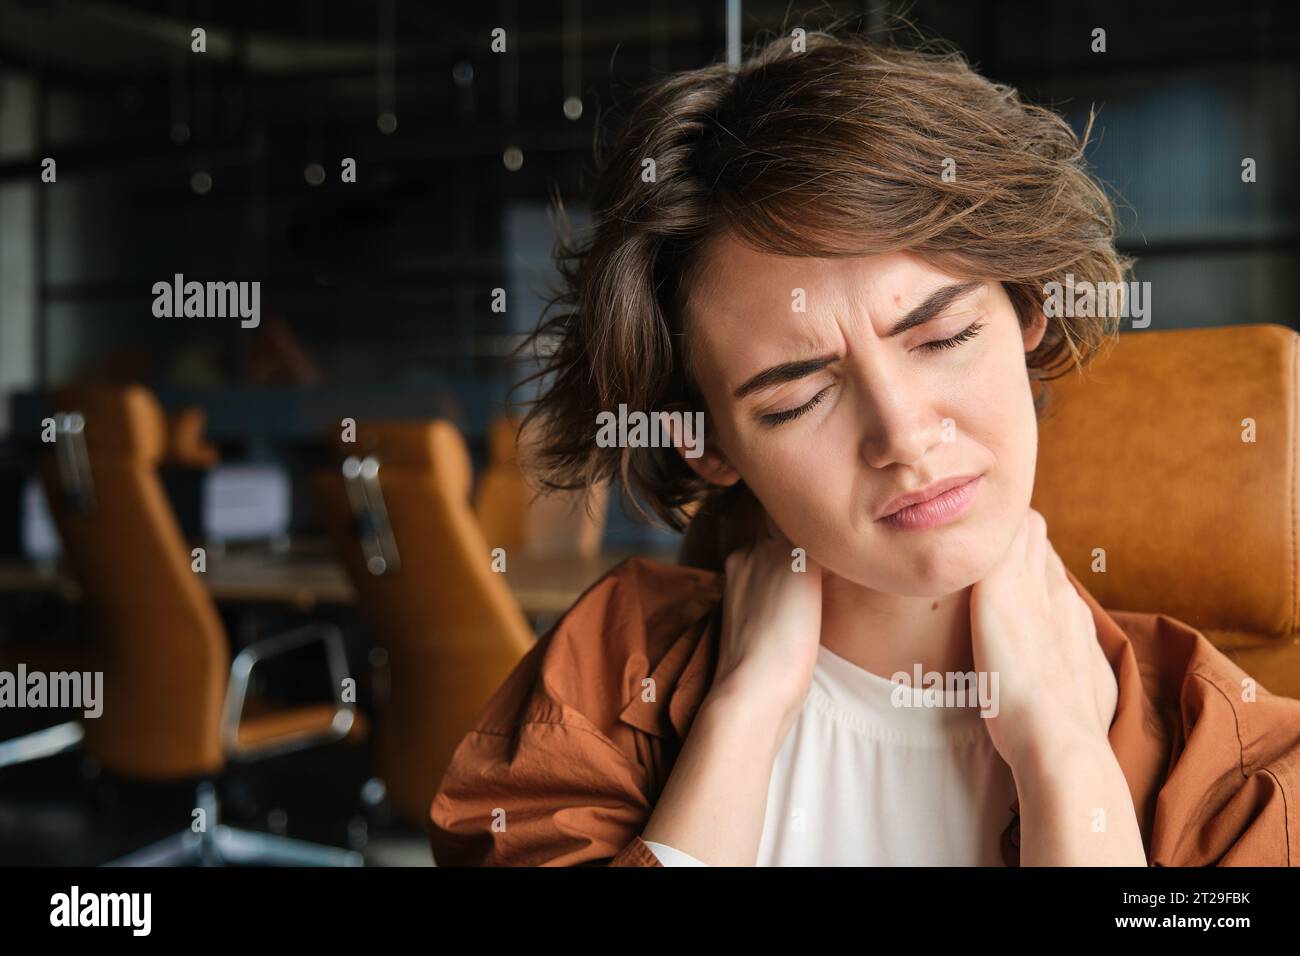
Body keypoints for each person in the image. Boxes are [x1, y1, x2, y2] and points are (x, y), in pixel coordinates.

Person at [429, 22, 1300, 866]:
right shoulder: (604, 685)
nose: (905, 435)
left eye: (945, 338)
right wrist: (741, 714)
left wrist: (1066, 760)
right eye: (801, 398)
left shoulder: (1232, 763)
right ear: (705, 442)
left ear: (1029, 309)